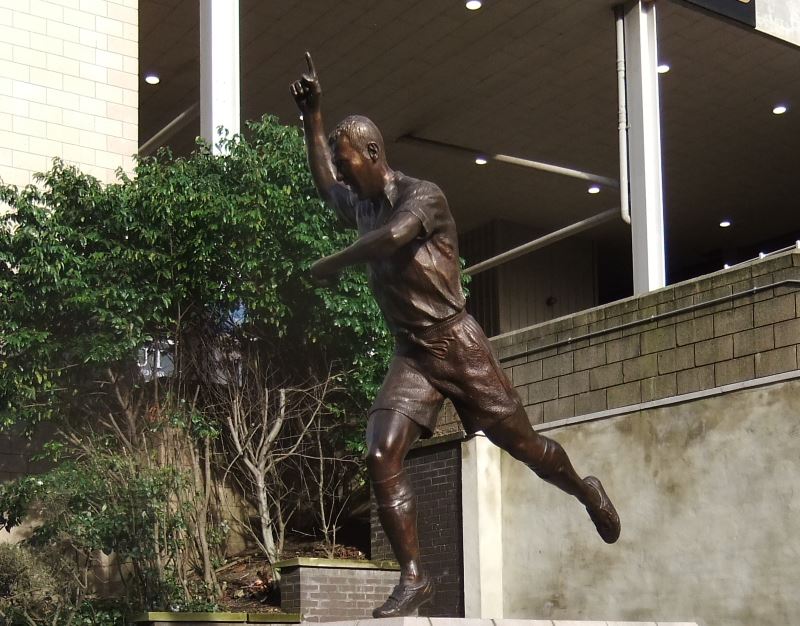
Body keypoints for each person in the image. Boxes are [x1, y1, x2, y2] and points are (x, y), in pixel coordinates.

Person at [290, 52, 620, 619]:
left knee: (527, 448)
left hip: (457, 343)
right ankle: (415, 577)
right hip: (413, 355)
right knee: (380, 451)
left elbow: (395, 239)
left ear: (374, 154)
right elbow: (324, 184)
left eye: (348, 165)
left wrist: (332, 263)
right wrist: (313, 118)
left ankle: (585, 488)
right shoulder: (360, 202)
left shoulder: (424, 197)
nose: (342, 176)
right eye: (341, 169)